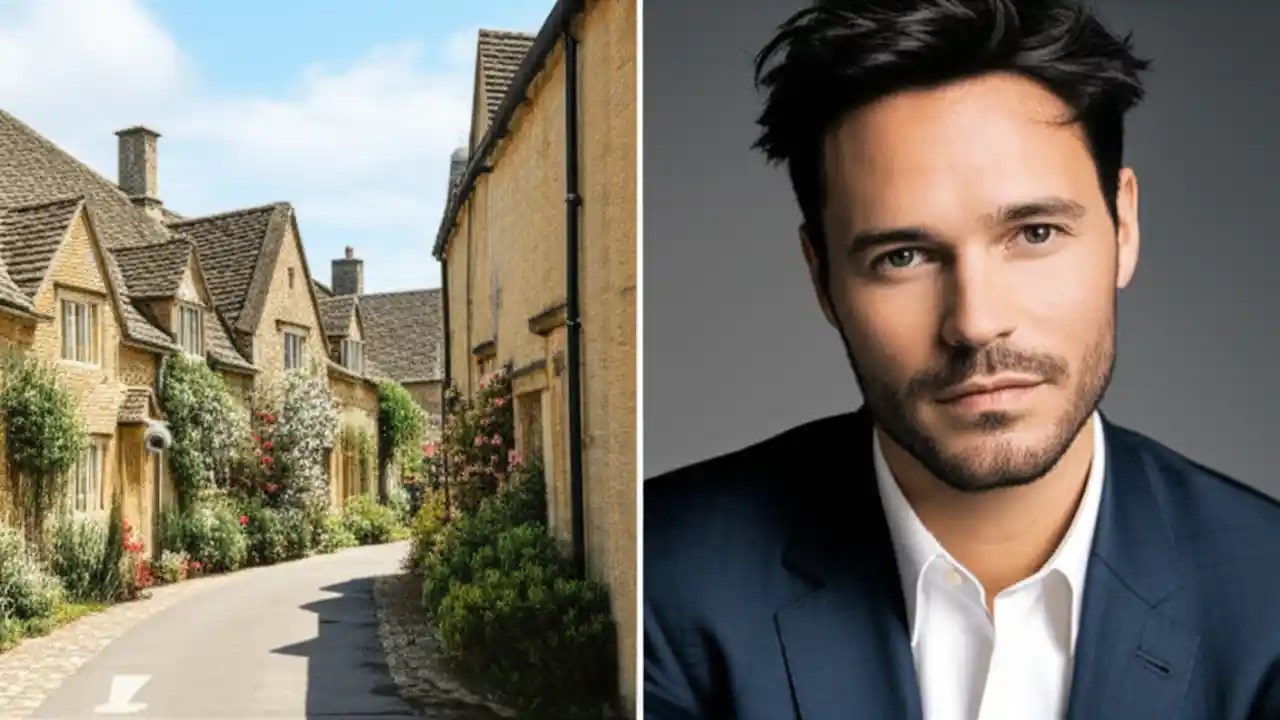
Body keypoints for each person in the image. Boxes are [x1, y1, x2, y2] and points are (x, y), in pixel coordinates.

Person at [642, 1, 1280, 718]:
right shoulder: (659, 583)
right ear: (821, 277)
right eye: (903, 257)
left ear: (1123, 226)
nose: (975, 323)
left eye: (1035, 233)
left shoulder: (1266, 604)